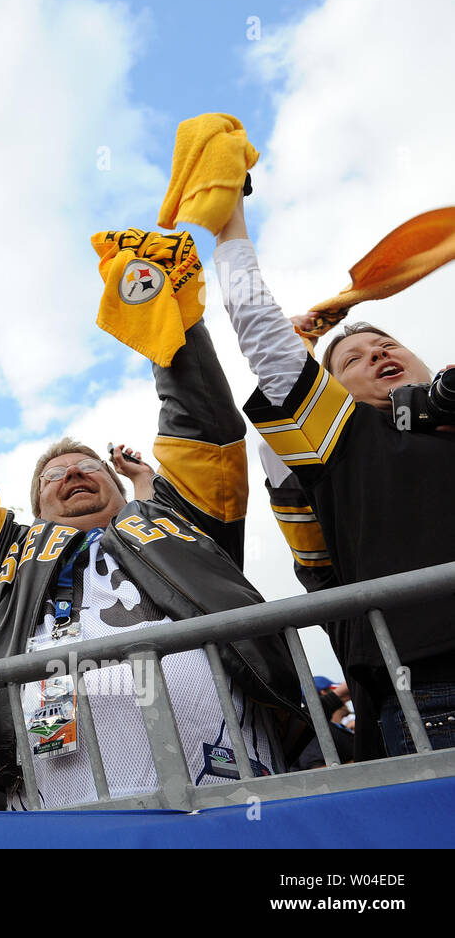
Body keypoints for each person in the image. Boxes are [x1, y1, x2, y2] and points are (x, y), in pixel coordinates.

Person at [0, 312, 307, 809]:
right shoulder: (8, 553)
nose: (72, 474)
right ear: (36, 507)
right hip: (58, 816)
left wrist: (167, 308)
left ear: (117, 485)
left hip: (230, 796)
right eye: (55, 475)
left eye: (88, 466)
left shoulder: (176, 523)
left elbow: (203, 427)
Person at [214, 194, 455, 756]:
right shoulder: (347, 442)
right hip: (439, 694)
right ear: (329, 399)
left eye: (386, 346)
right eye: (352, 361)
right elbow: (263, 340)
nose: (374, 355)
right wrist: (230, 223)